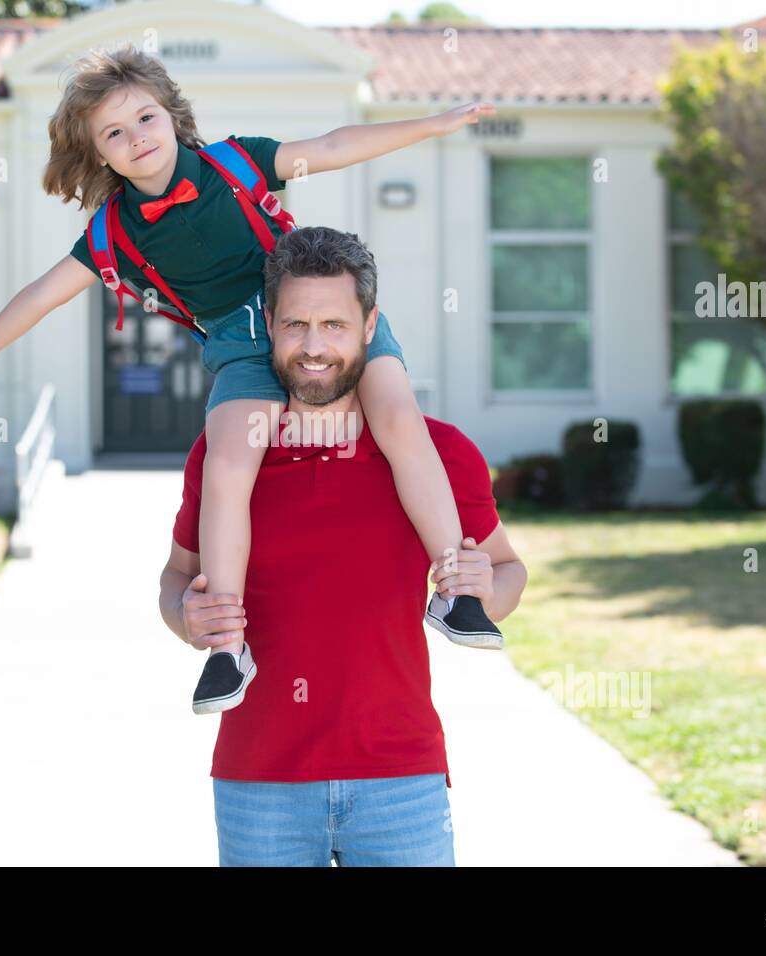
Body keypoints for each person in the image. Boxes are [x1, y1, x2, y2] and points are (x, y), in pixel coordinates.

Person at [0, 44, 504, 718]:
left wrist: (430, 125)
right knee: (228, 464)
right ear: (98, 155)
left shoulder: (234, 162)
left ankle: (456, 591)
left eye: (145, 117)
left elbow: (335, 142)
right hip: (240, 342)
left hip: (313, 310)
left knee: (400, 418)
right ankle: (228, 646)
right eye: (114, 133)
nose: (136, 138)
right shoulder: (113, 234)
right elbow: (40, 294)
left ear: (172, 115)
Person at [157, 225, 528, 866]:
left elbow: (509, 570)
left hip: (400, 777)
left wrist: (484, 588)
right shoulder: (228, 452)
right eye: (296, 324)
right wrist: (188, 619)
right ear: (268, 323)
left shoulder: (438, 454)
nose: (314, 347)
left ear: (370, 325)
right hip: (259, 782)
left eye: (334, 325)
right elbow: (175, 579)